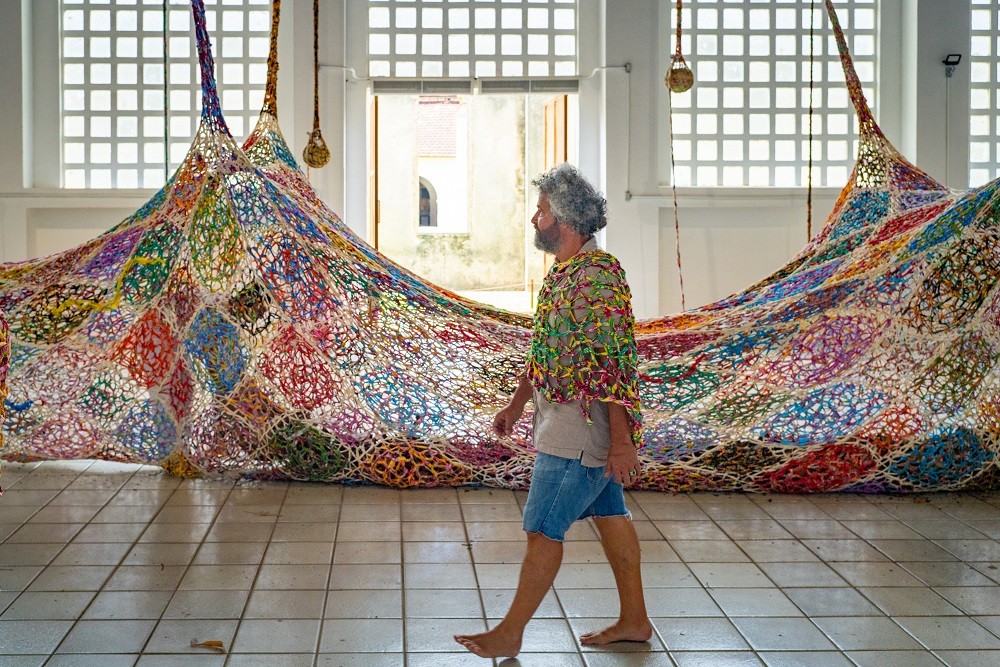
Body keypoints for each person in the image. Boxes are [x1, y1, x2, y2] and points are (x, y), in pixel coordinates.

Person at [455, 163, 651, 659]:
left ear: (562, 218)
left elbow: (610, 364)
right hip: (557, 414)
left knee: (543, 527)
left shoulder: (598, 279)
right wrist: (517, 403)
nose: (534, 219)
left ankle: (511, 631)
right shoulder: (565, 274)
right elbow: (545, 349)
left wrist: (621, 439)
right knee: (610, 514)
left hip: (580, 428)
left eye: (541, 210)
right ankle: (635, 620)